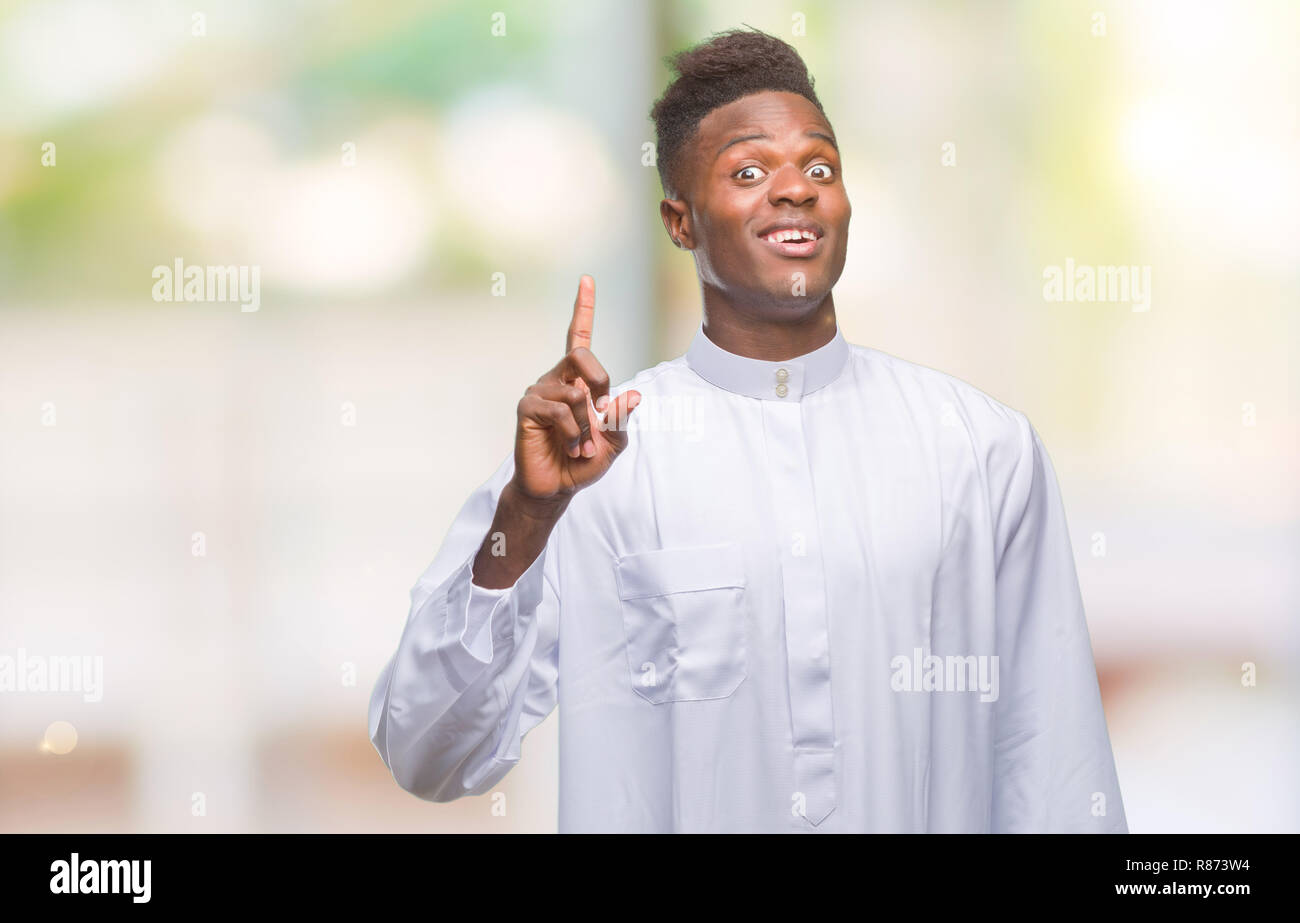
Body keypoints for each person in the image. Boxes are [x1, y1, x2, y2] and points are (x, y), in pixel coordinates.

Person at [368, 27, 1128, 833]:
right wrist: (525, 515)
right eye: (749, 171)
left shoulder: (982, 449)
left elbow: (1055, 771)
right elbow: (426, 754)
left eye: (819, 166)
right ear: (680, 221)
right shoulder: (591, 461)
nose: (794, 190)